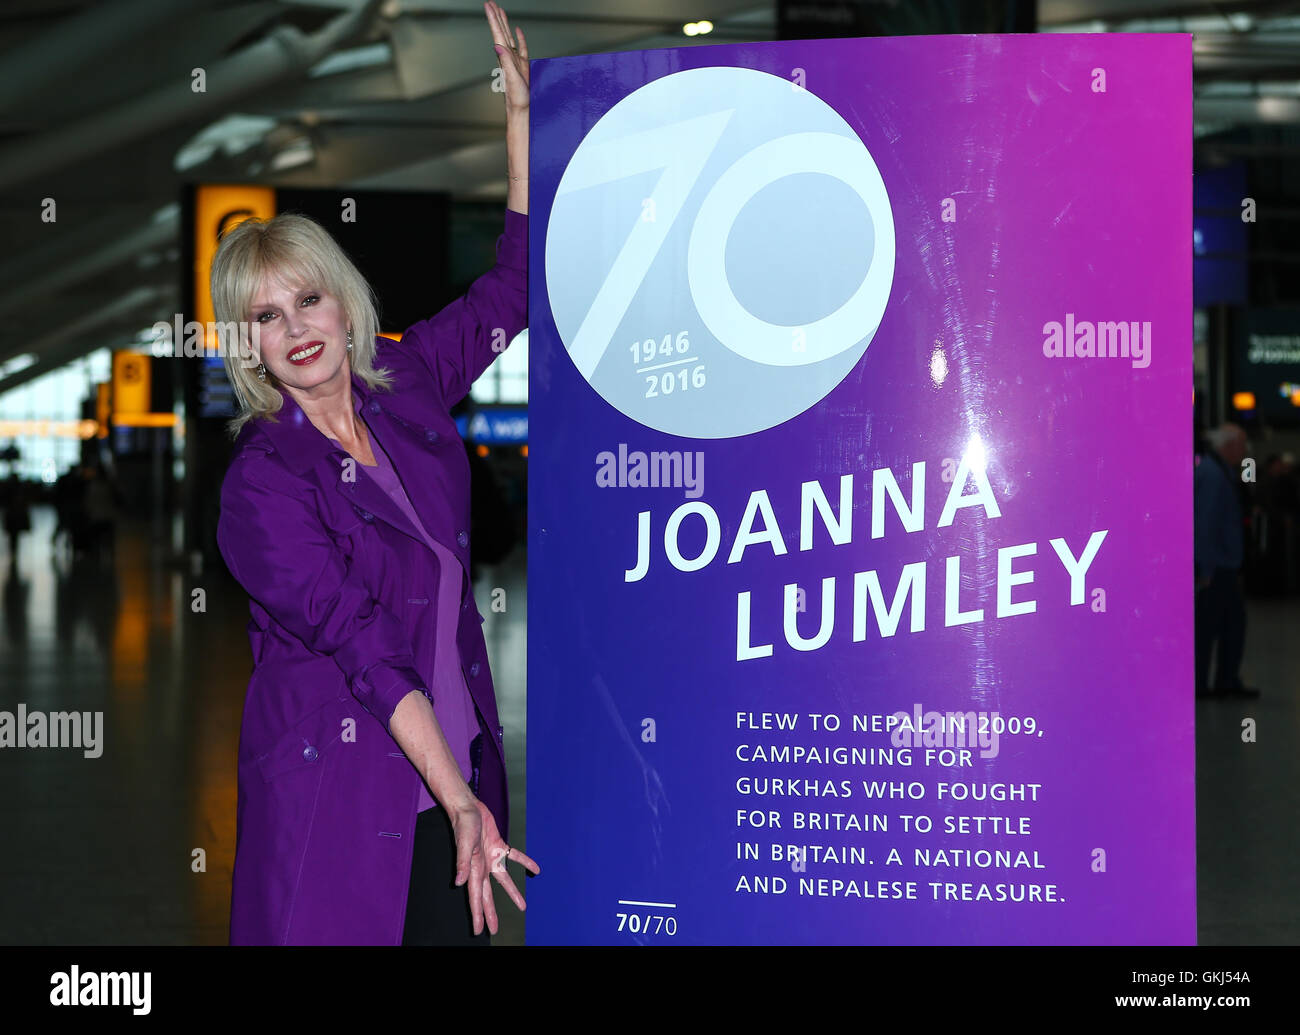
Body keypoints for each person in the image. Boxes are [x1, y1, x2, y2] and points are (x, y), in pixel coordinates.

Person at [214, 1, 538, 945]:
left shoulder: (407, 389)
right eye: (267, 317)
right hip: (339, 793)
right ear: (249, 345)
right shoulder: (263, 483)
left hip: (452, 783)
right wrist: (462, 802)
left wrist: (518, 129)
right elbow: (364, 644)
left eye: (307, 297)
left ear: (342, 301)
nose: (297, 327)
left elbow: (508, 294)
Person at [1193, 422, 1259, 698]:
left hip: (1223, 564)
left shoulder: (1220, 471)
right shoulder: (1213, 474)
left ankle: (1223, 680)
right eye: (1242, 445)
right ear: (1229, 446)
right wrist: (1205, 567)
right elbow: (1204, 523)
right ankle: (1211, 683)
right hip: (1217, 566)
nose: (1245, 451)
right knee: (1212, 626)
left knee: (1228, 624)